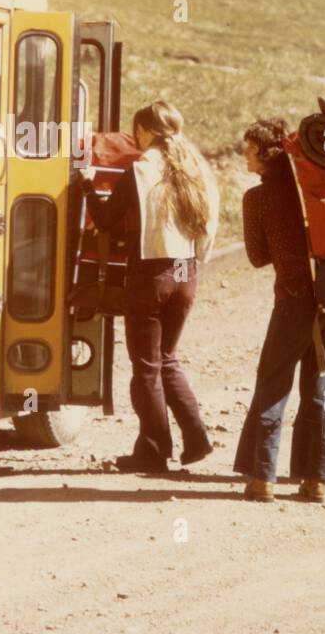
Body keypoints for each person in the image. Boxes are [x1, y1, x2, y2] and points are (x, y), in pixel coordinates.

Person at [77, 101, 219, 471]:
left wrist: (89, 188)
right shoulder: (196, 167)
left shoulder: (140, 171)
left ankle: (154, 452)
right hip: (187, 273)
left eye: (136, 131)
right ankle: (196, 439)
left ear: (145, 131)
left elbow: (106, 221)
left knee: (146, 367)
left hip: (150, 277)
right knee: (167, 360)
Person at [233, 118, 325, 503]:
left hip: (293, 300)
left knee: (273, 383)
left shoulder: (258, 198)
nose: (244, 155)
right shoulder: (314, 189)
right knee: (322, 389)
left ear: (265, 155)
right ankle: (316, 481)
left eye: (249, 149)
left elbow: (256, 257)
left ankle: (262, 477)